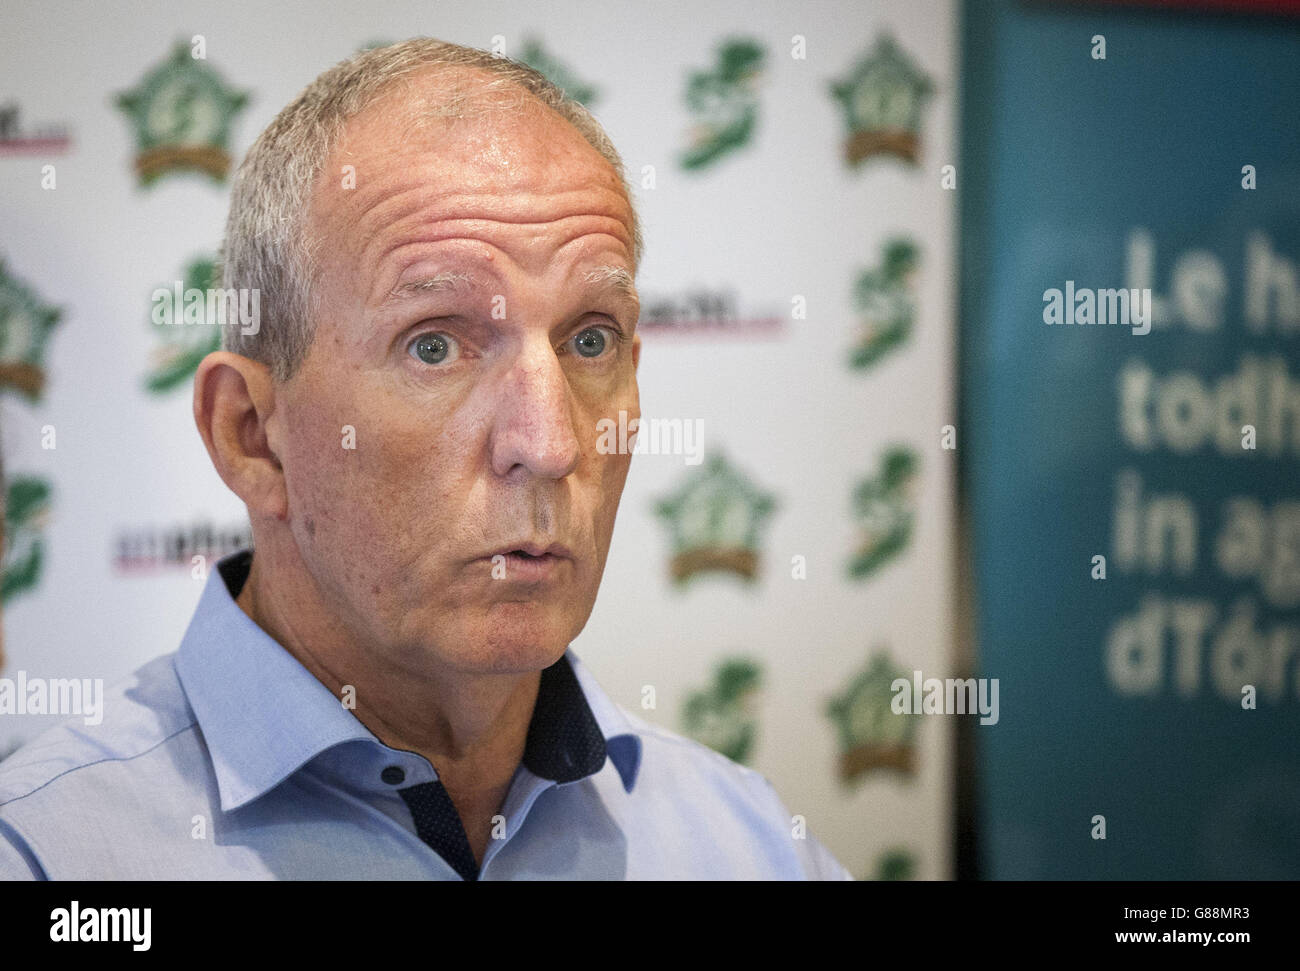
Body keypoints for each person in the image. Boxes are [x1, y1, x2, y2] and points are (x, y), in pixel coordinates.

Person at [0, 38, 851, 880]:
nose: (550, 444)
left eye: (590, 339)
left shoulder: (755, 845)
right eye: (435, 346)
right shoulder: (50, 855)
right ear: (252, 435)